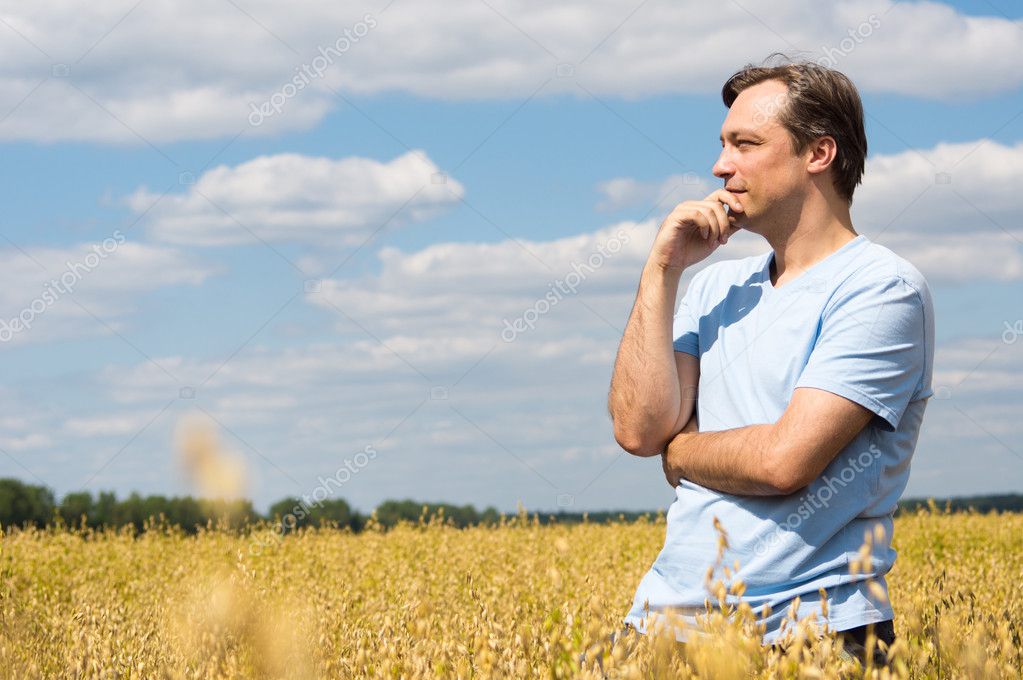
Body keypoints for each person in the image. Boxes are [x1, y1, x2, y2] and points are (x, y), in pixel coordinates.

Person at [606, 56, 934, 667]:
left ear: (819, 153)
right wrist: (663, 269)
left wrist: (681, 452)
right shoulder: (712, 286)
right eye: (722, 143)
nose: (720, 165)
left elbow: (784, 462)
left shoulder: (881, 289)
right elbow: (638, 431)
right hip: (660, 625)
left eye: (746, 144)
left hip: (814, 634)